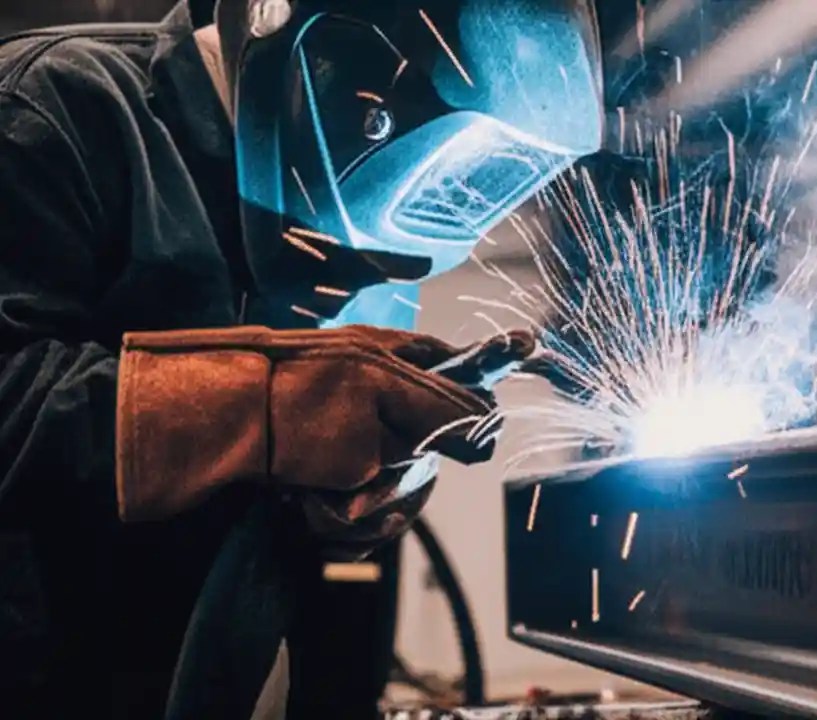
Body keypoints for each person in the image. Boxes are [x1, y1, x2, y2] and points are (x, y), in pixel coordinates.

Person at [0, 0, 603, 717]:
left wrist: (370, 486)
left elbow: (291, 520)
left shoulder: (347, 249)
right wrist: (275, 409)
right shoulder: (55, 108)